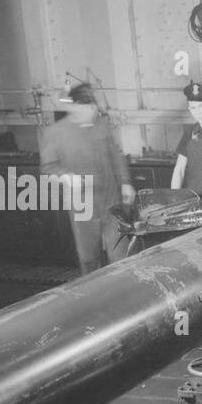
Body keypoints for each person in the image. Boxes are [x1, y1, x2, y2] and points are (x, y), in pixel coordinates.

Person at [40, 83, 134, 275]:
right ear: (74, 107)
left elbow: (116, 155)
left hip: (112, 201)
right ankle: (96, 299)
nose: (94, 111)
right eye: (88, 108)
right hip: (83, 204)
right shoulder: (56, 133)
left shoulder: (102, 126)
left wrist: (125, 183)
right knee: (89, 259)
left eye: (94, 107)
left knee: (121, 256)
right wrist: (65, 176)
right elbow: (48, 167)